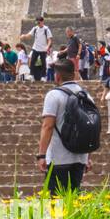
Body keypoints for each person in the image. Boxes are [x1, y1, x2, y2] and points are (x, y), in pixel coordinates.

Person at [37, 57, 89, 194]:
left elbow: (47, 126)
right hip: (80, 157)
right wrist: (87, 156)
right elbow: (88, 128)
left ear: (57, 75)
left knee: (57, 202)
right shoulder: (86, 95)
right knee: (73, 200)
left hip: (58, 157)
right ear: (74, 74)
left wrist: (41, 155)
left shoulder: (53, 95)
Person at [22, 16, 52, 81]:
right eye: (37, 22)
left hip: (43, 49)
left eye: (39, 22)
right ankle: (31, 75)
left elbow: (49, 39)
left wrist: (48, 46)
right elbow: (29, 35)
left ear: (42, 22)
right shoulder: (35, 28)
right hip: (35, 47)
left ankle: (43, 76)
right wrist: (24, 36)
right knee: (32, 61)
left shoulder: (46, 29)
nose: (38, 24)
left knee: (43, 63)